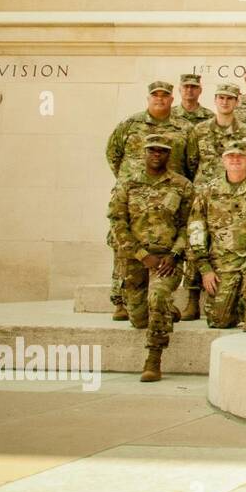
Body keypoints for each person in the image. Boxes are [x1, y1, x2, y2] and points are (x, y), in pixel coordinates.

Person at [107, 140, 194, 383]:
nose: (157, 154)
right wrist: (142, 255)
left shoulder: (181, 185)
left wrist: (175, 254)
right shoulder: (128, 183)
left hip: (167, 259)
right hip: (135, 259)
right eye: (152, 150)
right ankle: (167, 312)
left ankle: (153, 359)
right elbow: (117, 222)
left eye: (162, 151)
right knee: (138, 318)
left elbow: (189, 224)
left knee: (157, 297)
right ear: (144, 152)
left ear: (169, 155)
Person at [187, 140, 246, 331]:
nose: (236, 160)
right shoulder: (208, 191)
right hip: (223, 260)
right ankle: (242, 304)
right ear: (223, 161)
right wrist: (205, 269)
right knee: (219, 321)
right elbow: (196, 230)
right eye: (231, 156)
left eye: (241, 156)